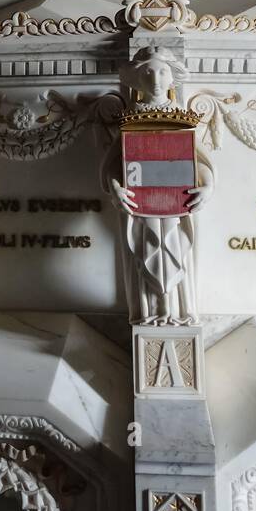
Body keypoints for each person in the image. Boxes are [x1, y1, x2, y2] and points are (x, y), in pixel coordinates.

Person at [105, 46, 212, 325]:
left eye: (162, 71)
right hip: (143, 205)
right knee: (146, 251)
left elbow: (198, 160)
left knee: (175, 252)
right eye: (148, 72)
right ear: (137, 78)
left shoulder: (181, 115)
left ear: (172, 77)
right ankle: (151, 312)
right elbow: (115, 163)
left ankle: (177, 312)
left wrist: (207, 185)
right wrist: (116, 187)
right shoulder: (130, 117)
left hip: (177, 204)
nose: (156, 79)